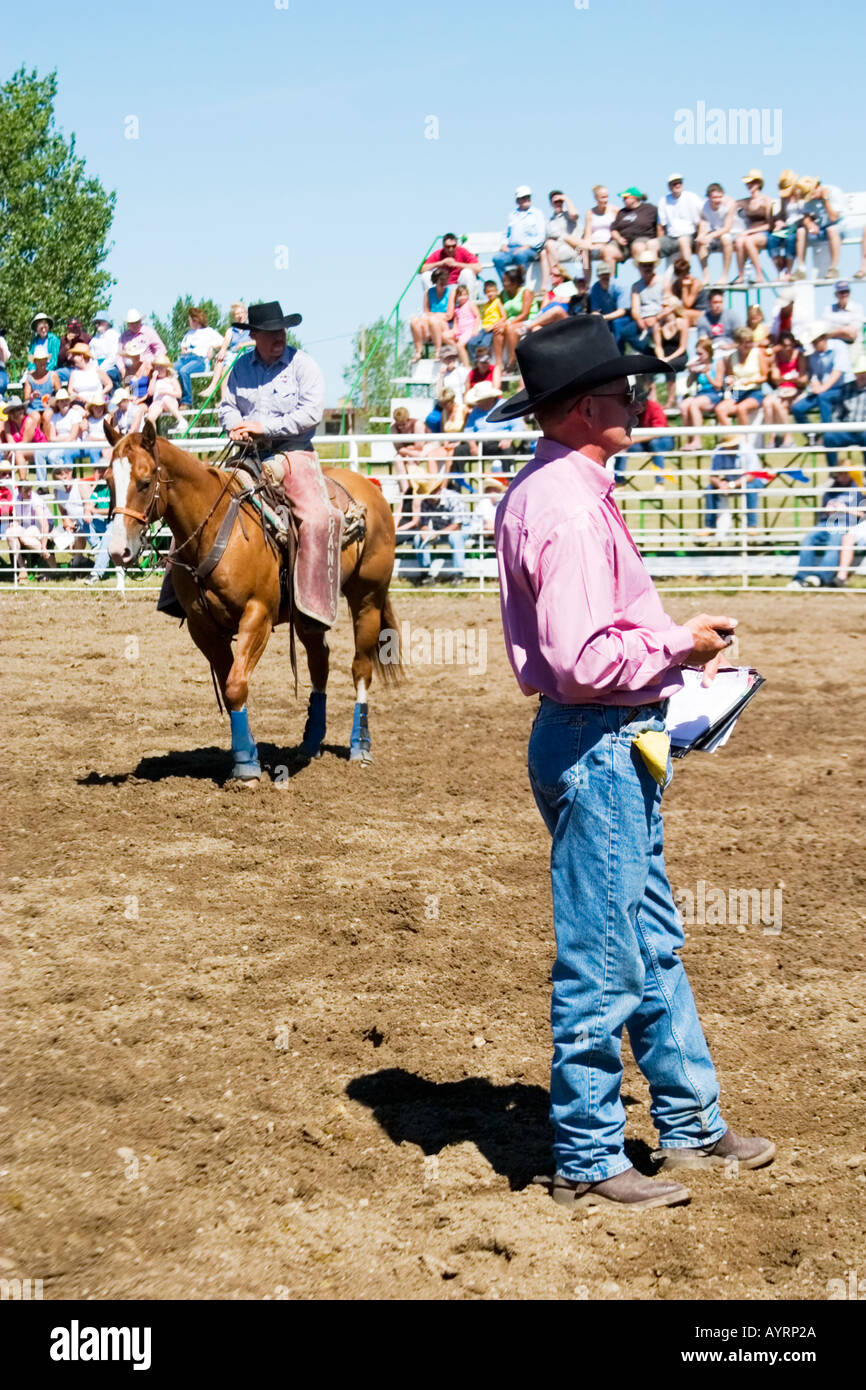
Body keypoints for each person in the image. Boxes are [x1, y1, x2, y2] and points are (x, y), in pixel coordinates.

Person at [491, 314, 774, 1210]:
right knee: (608, 954)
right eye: (623, 392)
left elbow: (597, 633)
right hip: (599, 741)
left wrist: (669, 640)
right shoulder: (571, 505)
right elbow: (581, 656)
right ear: (580, 409)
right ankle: (585, 1153)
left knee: (644, 938)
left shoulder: (561, 488)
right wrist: (676, 651)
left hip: (602, 740)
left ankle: (690, 1121)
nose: (636, 401)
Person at [216, 299, 342, 634]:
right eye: (270, 333)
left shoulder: (303, 365)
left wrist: (262, 427)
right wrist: (235, 425)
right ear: (254, 335)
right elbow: (227, 406)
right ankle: (179, 593)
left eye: (282, 331)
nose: (279, 338)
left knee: (317, 519)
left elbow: (311, 413)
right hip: (246, 454)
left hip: (293, 453)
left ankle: (314, 607)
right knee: (204, 502)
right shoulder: (240, 367)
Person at [786, 466, 863, 587]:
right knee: (808, 538)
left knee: (834, 541)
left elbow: (862, 514)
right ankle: (801, 577)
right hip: (827, 522)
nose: (842, 476)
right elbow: (822, 510)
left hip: (845, 523)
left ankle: (820, 577)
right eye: (840, 473)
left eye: (845, 473)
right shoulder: (831, 490)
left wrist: (845, 510)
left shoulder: (857, 490)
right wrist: (829, 510)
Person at [700, 437, 767, 538]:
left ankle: (752, 525)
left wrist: (732, 485)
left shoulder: (747, 450)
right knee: (710, 489)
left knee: (750, 488)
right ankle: (709, 526)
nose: (732, 448)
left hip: (754, 480)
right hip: (731, 481)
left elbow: (752, 476)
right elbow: (713, 477)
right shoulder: (718, 452)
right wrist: (720, 484)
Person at [715, 326, 780, 429]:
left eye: (749, 342)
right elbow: (730, 376)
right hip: (736, 392)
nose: (747, 345)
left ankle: (744, 440)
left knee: (742, 408)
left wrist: (750, 381)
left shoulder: (758, 354)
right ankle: (732, 439)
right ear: (738, 343)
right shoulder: (732, 357)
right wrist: (730, 381)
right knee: (720, 409)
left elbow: (764, 377)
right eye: (744, 342)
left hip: (754, 392)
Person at [615, 382, 676, 484]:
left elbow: (658, 433)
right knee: (622, 446)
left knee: (655, 444)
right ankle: (619, 480)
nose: (639, 406)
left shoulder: (655, 408)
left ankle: (660, 481)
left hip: (663, 440)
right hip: (643, 443)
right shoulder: (630, 411)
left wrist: (633, 440)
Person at [792, 325, 845, 431]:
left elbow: (838, 371)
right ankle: (812, 436)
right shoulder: (813, 354)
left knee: (823, 398)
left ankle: (828, 436)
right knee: (797, 408)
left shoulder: (838, 346)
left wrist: (822, 388)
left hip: (841, 390)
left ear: (823, 338)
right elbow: (813, 374)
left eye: (815, 341)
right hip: (821, 391)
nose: (813, 344)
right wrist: (814, 383)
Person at [792, 178, 843, 280]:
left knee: (831, 229)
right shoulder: (809, 198)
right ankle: (801, 269)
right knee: (801, 230)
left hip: (838, 227)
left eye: (811, 194)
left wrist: (825, 199)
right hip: (821, 229)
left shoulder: (834, 192)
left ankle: (834, 268)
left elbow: (833, 218)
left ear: (817, 188)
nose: (810, 198)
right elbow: (806, 216)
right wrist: (809, 223)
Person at [493, 186, 546, 281]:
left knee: (520, 255)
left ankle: (520, 284)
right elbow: (505, 233)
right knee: (497, 259)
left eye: (528, 197)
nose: (526, 199)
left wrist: (527, 246)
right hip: (511, 249)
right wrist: (503, 244)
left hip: (531, 250)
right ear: (518, 200)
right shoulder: (512, 215)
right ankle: (507, 284)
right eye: (523, 197)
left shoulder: (537, 214)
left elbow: (541, 237)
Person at [681, 337, 726, 449]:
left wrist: (707, 373)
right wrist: (692, 372)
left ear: (708, 352)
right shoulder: (698, 364)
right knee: (684, 405)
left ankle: (697, 440)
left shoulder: (718, 363)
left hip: (714, 394)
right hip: (701, 394)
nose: (698, 356)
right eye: (697, 353)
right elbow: (688, 385)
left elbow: (718, 385)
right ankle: (689, 440)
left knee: (694, 404)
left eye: (700, 353)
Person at [174, 307, 223, 408]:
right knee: (170, 370)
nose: (188, 322)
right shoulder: (188, 334)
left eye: (190, 320)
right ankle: (175, 399)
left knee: (184, 371)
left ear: (195, 320)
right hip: (185, 358)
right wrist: (183, 350)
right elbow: (183, 347)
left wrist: (212, 347)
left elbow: (223, 342)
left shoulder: (209, 331)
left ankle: (186, 401)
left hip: (199, 359)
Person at [823, 355, 866, 468]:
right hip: (847, 430)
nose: (862, 375)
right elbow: (838, 413)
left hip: (864, 431)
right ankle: (833, 475)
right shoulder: (847, 388)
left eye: (864, 372)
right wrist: (836, 426)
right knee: (829, 437)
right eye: (860, 372)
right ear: (855, 374)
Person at [733, 171, 774, 284]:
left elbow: (770, 224)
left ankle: (759, 274)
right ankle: (741, 275)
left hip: (763, 232)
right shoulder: (746, 201)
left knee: (748, 241)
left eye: (752, 183)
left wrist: (749, 232)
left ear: (758, 184)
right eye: (748, 183)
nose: (749, 185)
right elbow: (731, 203)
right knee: (740, 241)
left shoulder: (766, 200)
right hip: (749, 233)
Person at [493, 265, 536, 372]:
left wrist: (508, 323)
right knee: (498, 330)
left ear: (514, 282)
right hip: (510, 321)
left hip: (528, 320)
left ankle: (512, 362)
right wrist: (501, 323)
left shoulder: (526, 292)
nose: (503, 283)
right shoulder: (503, 294)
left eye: (505, 281)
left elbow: (525, 314)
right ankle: (499, 364)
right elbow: (502, 312)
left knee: (511, 329)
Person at [618, 251, 662, 353]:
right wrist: (640, 321)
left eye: (650, 265)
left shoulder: (663, 281)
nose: (647, 268)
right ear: (639, 267)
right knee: (625, 333)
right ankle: (651, 354)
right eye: (644, 265)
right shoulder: (636, 286)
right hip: (643, 320)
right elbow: (635, 309)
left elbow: (668, 305)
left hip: (660, 319)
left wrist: (656, 318)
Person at [410, 267, 456, 361]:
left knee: (433, 320)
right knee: (414, 321)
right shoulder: (428, 292)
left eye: (445, 282)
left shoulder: (451, 292)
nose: (443, 285)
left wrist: (434, 315)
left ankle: (438, 351)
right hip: (430, 321)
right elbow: (426, 311)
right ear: (436, 282)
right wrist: (434, 315)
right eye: (441, 282)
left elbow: (449, 315)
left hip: (443, 323)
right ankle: (419, 351)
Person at [822, 281, 864, 383]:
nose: (844, 294)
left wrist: (834, 332)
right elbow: (824, 331)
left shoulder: (857, 308)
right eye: (841, 292)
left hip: (852, 347)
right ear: (836, 294)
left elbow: (852, 334)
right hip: (834, 346)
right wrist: (844, 330)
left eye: (846, 291)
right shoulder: (828, 309)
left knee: (853, 375)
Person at [656, 174, 703, 264]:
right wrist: (660, 241)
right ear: (669, 186)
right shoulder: (663, 200)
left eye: (679, 183)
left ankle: (686, 272)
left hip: (690, 235)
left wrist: (701, 234)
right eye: (674, 183)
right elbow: (661, 226)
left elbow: (702, 218)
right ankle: (651, 275)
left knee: (683, 241)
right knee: (652, 244)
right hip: (671, 237)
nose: (677, 185)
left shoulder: (692, 197)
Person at [207, 302, 252, 394]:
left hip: (247, 354)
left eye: (241, 313)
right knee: (224, 366)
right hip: (234, 355)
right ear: (234, 317)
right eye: (237, 314)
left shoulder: (251, 328)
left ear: (246, 314)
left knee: (227, 362)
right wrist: (222, 350)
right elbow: (225, 343)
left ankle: (215, 386)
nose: (240, 316)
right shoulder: (231, 330)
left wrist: (244, 344)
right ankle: (220, 393)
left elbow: (258, 341)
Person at [695, 183, 736, 283]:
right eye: (715, 197)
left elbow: (727, 228)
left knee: (726, 239)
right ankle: (706, 277)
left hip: (730, 233)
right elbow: (703, 224)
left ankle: (724, 276)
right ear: (709, 197)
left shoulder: (730, 204)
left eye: (720, 197)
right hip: (712, 233)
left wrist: (710, 236)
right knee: (699, 243)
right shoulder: (703, 207)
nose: (718, 200)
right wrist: (701, 235)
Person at [767, 171, 803, 281]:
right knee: (772, 238)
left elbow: (806, 215)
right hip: (786, 227)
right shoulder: (783, 199)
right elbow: (780, 215)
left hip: (798, 226)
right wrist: (778, 222)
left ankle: (788, 270)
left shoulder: (801, 197)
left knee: (790, 239)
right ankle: (779, 270)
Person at [541, 190, 580, 287]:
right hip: (557, 251)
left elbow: (574, 214)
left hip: (573, 249)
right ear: (551, 203)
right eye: (555, 202)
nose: (558, 203)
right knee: (543, 252)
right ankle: (545, 286)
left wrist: (566, 198)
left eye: (560, 201)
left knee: (549, 245)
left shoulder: (568, 215)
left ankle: (558, 276)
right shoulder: (550, 221)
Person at [609, 188, 659, 264]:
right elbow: (614, 229)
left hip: (642, 239)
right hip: (623, 244)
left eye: (625, 198)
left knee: (638, 247)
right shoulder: (622, 212)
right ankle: (608, 274)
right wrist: (618, 238)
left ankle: (644, 273)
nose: (623, 200)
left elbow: (661, 223)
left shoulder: (650, 209)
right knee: (608, 250)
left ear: (633, 198)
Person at [589, 265, 630, 349]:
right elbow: (595, 310)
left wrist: (603, 318)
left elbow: (622, 311)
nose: (605, 277)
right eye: (602, 275)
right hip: (607, 318)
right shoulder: (595, 288)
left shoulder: (619, 286)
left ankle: (619, 354)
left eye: (606, 274)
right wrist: (596, 317)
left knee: (617, 324)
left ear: (610, 274)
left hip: (623, 318)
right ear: (598, 276)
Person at [464, 279, 505, 364]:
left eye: (493, 291)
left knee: (484, 344)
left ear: (497, 292)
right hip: (484, 328)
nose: (490, 294)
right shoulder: (486, 304)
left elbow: (504, 316)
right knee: (471, 342)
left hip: (491, 329)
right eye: (488, 292)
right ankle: (475, 362)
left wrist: (494, 326)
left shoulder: (497, 302)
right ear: (485, 293)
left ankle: (485, 362)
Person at [579, 185, 617, 273]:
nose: (605, 200)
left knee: (609, 252)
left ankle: (611, 280)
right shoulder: (590, 212)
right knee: (584, 251)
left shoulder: (614, 210)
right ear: (596, 198)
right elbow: (588, 233)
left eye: (607, 197)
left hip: (609, 244)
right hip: (594, 244)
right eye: (603, 197)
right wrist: (587, 245)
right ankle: (586, 282)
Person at [445, 282, 482, 366]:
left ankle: (466, 365)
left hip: (469, 329)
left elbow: (477, 316)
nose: (463, 297)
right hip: (460, 330)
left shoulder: (470, 304)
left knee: (460, 345)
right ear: (457, 297)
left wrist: (475, 329)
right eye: (460, 295)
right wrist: (454, 329)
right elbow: (456, 321)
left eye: (465, 295)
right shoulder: (457, 308)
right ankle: (459, 353)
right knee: (445, 336)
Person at [145, 355, 185, 429]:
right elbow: (150, 393)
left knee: (166, 399)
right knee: (150, 418)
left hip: (170, 401)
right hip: (158, 403)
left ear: (166, 369)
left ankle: (181, 420)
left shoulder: (171, 379)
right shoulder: (154, 380)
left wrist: (166, 392)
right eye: (157, 368)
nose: (159, 370)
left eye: (161, 368)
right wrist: (153, 378)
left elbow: (179, 394)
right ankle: (153, 437)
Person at [24, 346, 60, 413]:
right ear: (34, 362)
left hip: (49, 406)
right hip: (33, 407)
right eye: (39, 360)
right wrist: (32, 396)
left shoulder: (53, 375)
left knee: (47, 414)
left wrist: (51, 399)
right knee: (35, 416)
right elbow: (26, 399)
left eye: (44, 360)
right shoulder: (30, 378)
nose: (42, 363)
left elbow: (60, 394)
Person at [90, 314, 122, 388]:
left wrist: (101, 369)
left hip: (112, 366)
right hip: (96, 367)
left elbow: (114, 356)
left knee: (109, 376)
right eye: (96, 323)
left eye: (99, 322)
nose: (97, 325)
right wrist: (96, 368)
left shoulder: (115, 335)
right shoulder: (94, 339)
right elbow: (92, 356)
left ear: (106, 323)